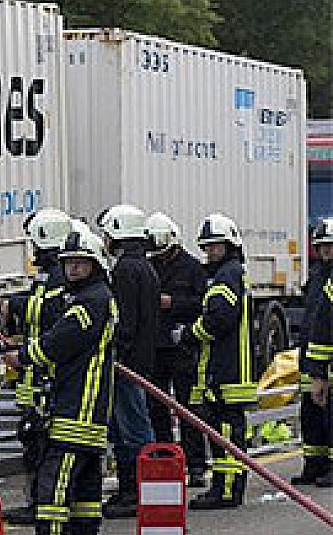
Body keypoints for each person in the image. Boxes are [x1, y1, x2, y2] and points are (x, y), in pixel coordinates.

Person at [3, 228, 116, 535]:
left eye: (81, 262)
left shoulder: (90, 302)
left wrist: (23, 355)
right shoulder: (88, 297)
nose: (73, 268)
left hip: (76, 413)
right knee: (84, 496)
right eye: (69, 262)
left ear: (96, 264)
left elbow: (60, 341)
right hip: (84, 413)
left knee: (53, 489)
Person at [174, 213, 256, 510]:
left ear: (229, 245)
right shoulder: (229, 273)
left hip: (227, 371)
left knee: (227, 433)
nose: (210, 252)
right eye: (207, 247)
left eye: (215, 246)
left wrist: (189, 334)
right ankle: (223, 488)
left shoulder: (226, 276)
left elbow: (218, 319)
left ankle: (226, 491)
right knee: (224, 431)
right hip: (227, 368)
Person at [0, 209, 74, 525]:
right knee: (34, 440)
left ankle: (40, 504)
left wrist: (14, 304)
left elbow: (47, 312)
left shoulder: (58, 275)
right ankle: (37, 501)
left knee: (43, 445)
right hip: (36, 375)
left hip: (45, 376)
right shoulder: (50, 274)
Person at [96, 204, 159, 519]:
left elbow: (125, 322)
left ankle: (134, 493)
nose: (104, 240)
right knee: (134, 427)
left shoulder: (124, 270)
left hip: (126, 365)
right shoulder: (145, 267)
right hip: (141, 362)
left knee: (130, 431)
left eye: (107, 233)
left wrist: (114, 352)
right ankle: (136, 491)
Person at [146, 212, 209, 488]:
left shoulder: (193, 268)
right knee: (156, 408)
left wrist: (173, 303)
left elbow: (201, 304)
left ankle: (195, 466)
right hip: (156, 347)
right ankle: (165, 462)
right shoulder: (150, 265)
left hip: (183, 347)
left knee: (188, 408)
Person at [293, 218, 333, 487]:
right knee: (311, 416)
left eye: (331, 246)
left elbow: (326, 326)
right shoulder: (317, 276)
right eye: (322, 247)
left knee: (330, 417)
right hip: (312, 359)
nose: (326, 251)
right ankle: (315, 463)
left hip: (326, 361)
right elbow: (313, 321)